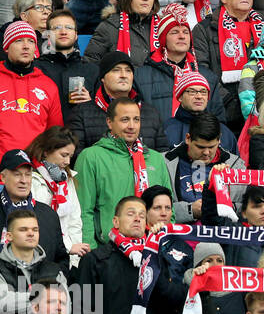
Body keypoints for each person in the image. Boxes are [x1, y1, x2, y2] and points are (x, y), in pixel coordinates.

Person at [74, 98, 170, 246]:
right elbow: (83, 210)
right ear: (109, 122)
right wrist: (91, 252)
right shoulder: (90, 157)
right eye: (125, 120)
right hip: (108, 250)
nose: (131, 126)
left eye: (136, 119)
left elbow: (170, 209)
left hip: (153, 247)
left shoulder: (155, 159)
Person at [0, 21, 62, 154]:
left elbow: (54, 135)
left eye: (30, 41)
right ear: (6, 47)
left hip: (35, 168)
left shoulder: (48, 85)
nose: (26, 46)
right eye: (19, 41)